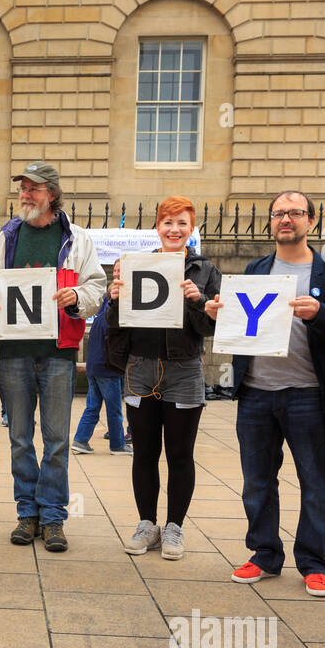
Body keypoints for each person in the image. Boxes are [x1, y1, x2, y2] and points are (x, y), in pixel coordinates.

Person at [207, 190, 325, 596]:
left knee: (315, 479)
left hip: (310, 392)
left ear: (311, 220)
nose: (285, 219)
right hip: (256, 391)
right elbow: (239, 324)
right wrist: (217, 314)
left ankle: (315, 562)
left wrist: (321, 315)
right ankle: (264, 554)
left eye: (294, 213)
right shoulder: (255, 269)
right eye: (278, 213)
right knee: (257, 480)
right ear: (271, 222)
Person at [0, 160, 106, 552]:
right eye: (22, 188)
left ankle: (52, 518)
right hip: (14, 353)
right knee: (19, 438)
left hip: (58, 354)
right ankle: (26, 513)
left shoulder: (77, 239)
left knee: (56, 440)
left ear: (52, 194)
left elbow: (96, 286)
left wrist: (77, 298)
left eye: (33, 189)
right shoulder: (7, 237)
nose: (25, 195)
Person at [107, 196, 221, 560]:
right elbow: (115, 324)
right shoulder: (135, 264)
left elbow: (210, 328)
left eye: (182, 223)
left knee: (180, 454)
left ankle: (174, 527)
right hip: (140, 368)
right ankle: (146, 523)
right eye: (168, 222)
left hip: (184, 368)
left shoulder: (204, 270)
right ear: (157, 227)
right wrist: (114, 299)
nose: (174, 229)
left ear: (192, 229)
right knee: (144, 451)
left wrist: (197, 299)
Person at [70, 295, 130, 458]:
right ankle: (117, 445)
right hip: (108, 370)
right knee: (114, 409)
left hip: (94, 368)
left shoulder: (99, 317)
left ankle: (80, 440)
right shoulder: (112, 319)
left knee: (93, 406)